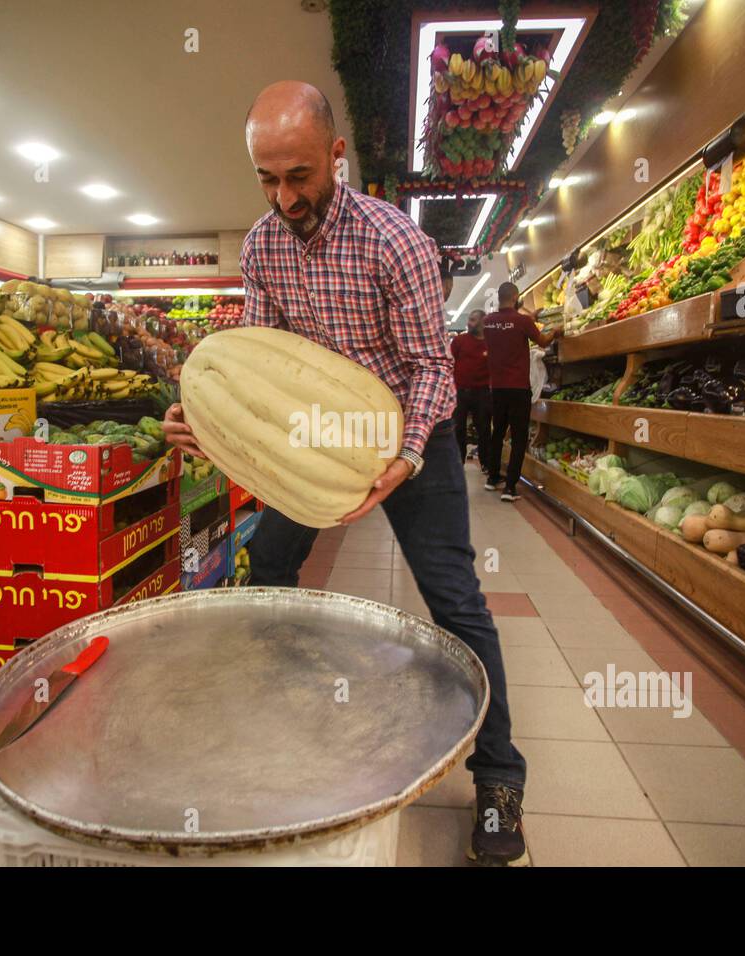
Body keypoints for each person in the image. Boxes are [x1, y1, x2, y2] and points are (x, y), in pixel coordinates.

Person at [161, 81, 529, 866]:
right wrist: (205, 423)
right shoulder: (262, 246)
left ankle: (499, 777)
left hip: (412, 439)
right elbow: (253, 371)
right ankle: (292, 719)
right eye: (267, 178)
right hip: (313, 442)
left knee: (457, 602)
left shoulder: (396, 241)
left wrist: (400, 459)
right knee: (271, 563)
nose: (283, 196)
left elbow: (434, 368)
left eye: (298, 176)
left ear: (337, 155)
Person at [483, 283, 555, 502]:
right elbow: (542, 341)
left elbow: (507, 329)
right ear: (515, 297)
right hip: (518, 388)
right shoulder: (523, 321)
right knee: (519, 436)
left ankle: (493, 477)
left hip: (497, 388)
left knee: (498, 433)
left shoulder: (489, 322)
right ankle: (511, 487)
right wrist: (556, 331)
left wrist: (529, 318)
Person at [451, 309, 492, 471]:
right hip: (460, 392)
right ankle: (458, 463)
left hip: (482, 392)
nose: (469, 323)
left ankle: (486, 463)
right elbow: (449, 363)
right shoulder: (459, 341)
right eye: (469, 319)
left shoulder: (491, 342)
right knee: (458, 429)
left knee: (483, 429)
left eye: (473, 320)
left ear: (483, 322)